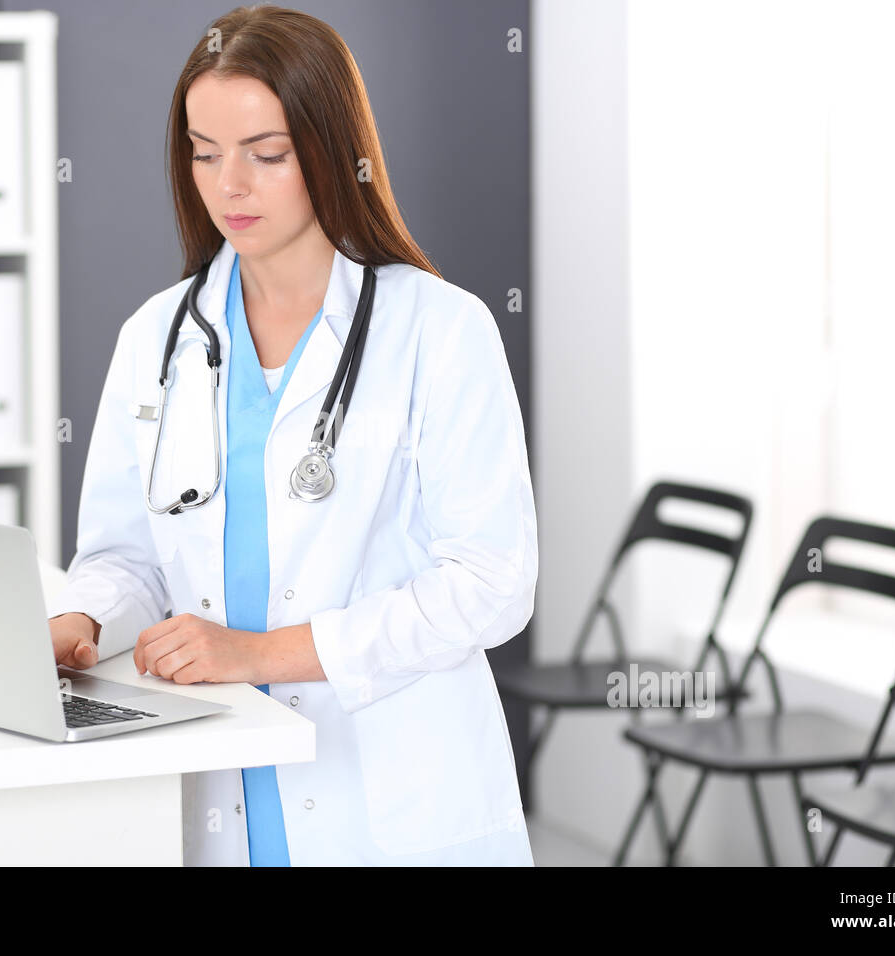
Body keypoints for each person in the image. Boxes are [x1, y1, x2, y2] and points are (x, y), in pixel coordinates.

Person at [48, 4, 537, 866]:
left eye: (266, 155)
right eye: (204, 153)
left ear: (330, 150)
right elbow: (128, 557)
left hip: (391, 798)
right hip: (220, 784)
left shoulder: (439, 331)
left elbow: (494, 583)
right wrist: (80, 618)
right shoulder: (157, 339)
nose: (229, 185)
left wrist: (261, 653)